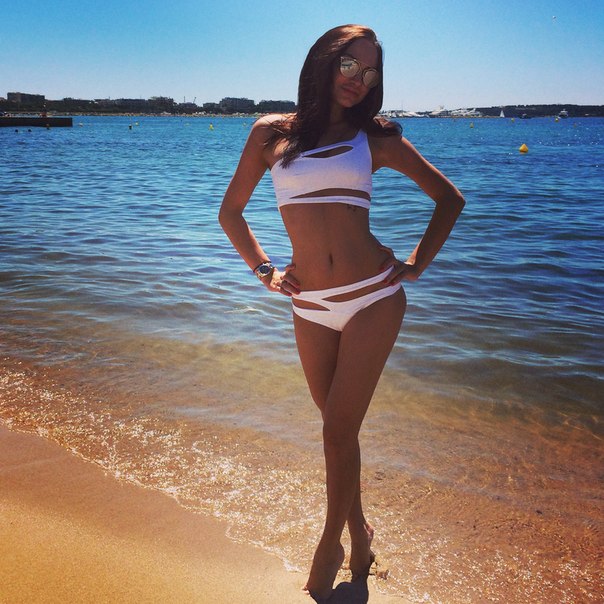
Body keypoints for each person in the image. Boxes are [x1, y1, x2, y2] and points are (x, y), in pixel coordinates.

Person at [219, 24, 465, 601]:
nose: (359, 79)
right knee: (339, 431)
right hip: (309, 306)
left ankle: (330, 547)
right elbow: (231, 212)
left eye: (370, 71)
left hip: (374, 297)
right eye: (350, 65)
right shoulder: (270, 134)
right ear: (324, 62)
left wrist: (415, 264)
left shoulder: (373, 139)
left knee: (336, 430)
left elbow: (449, 199)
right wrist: (265, 271)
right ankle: (360, 533)